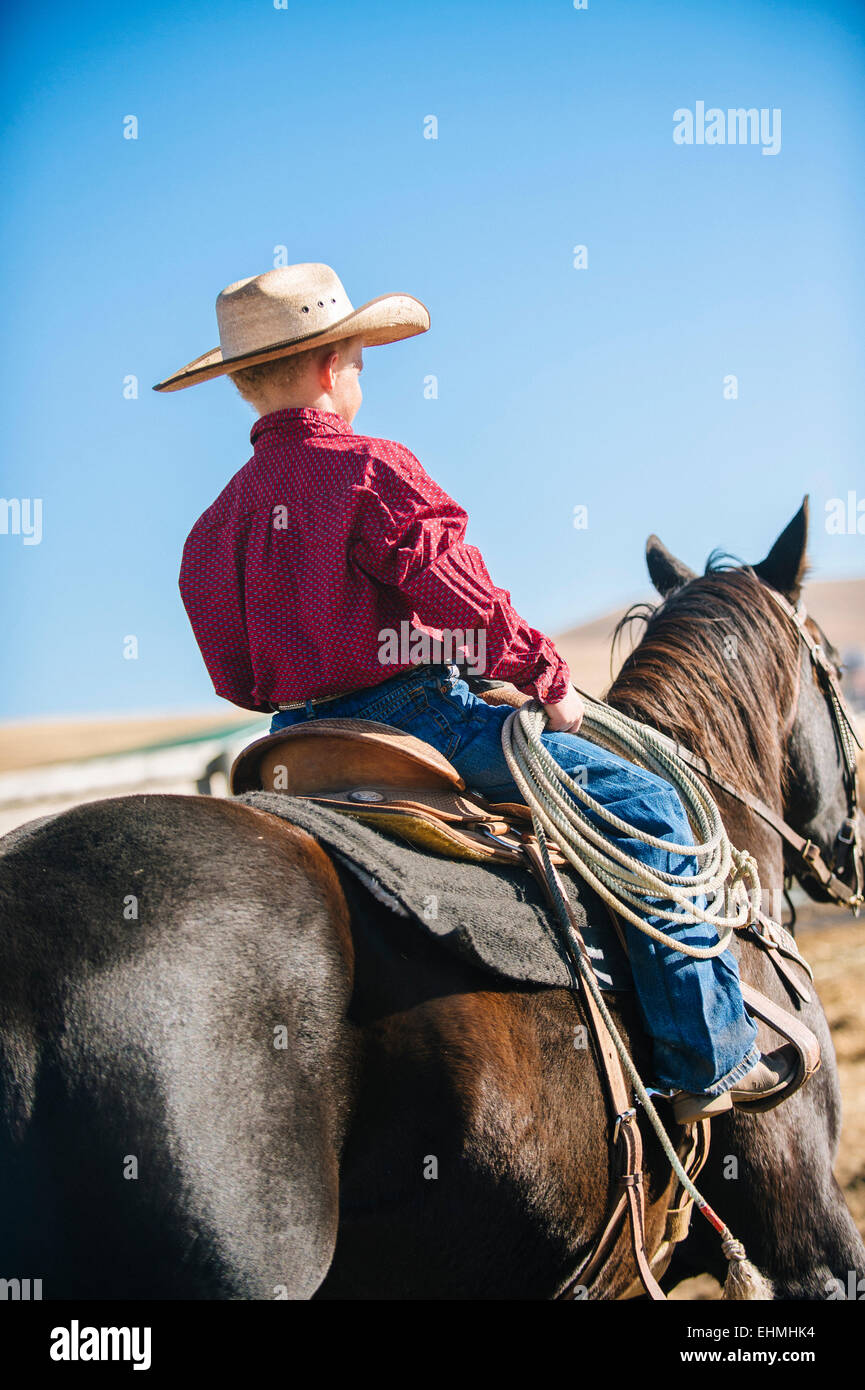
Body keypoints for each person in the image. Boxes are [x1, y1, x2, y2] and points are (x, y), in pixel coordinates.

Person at [156, 262, 795, 1123]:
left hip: (289, 752)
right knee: (646, 808)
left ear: (241, 385)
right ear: (329, 366)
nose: (357, 374)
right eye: (355, 359)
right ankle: (706, 1060)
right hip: (418, 722)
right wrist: (546, 678)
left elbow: (235, 677)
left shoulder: (211, 530)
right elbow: (457, 596)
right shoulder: (371, 470)